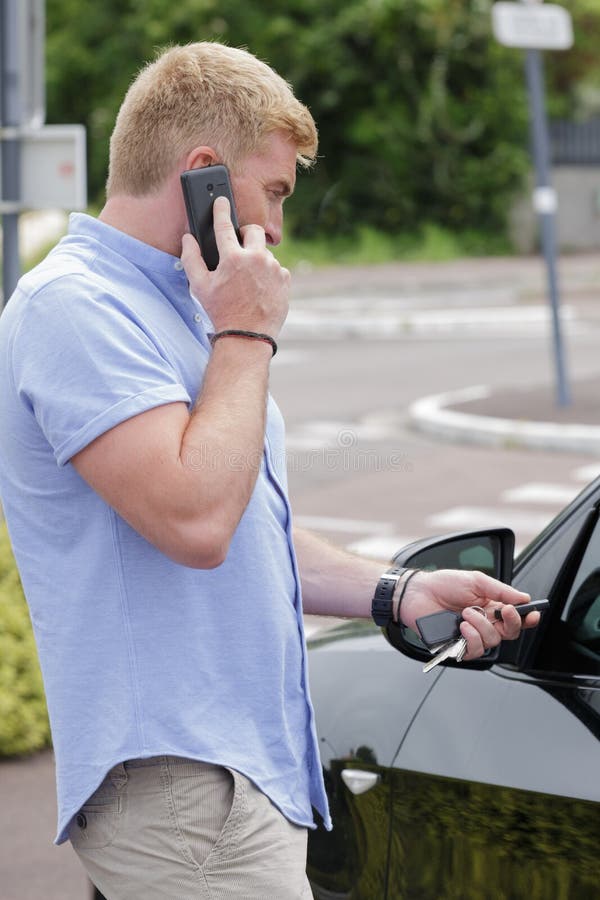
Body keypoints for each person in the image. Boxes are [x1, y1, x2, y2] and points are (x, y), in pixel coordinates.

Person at [0, 42, 537, 900]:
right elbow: (196, 521)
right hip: (185, 788)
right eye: (275, 191)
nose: (279, 228)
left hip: (226, 779)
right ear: (203, 173)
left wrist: (399, 590)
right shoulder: (77, 309)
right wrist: (248, 331)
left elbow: (247, 523)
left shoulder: (176, 307)